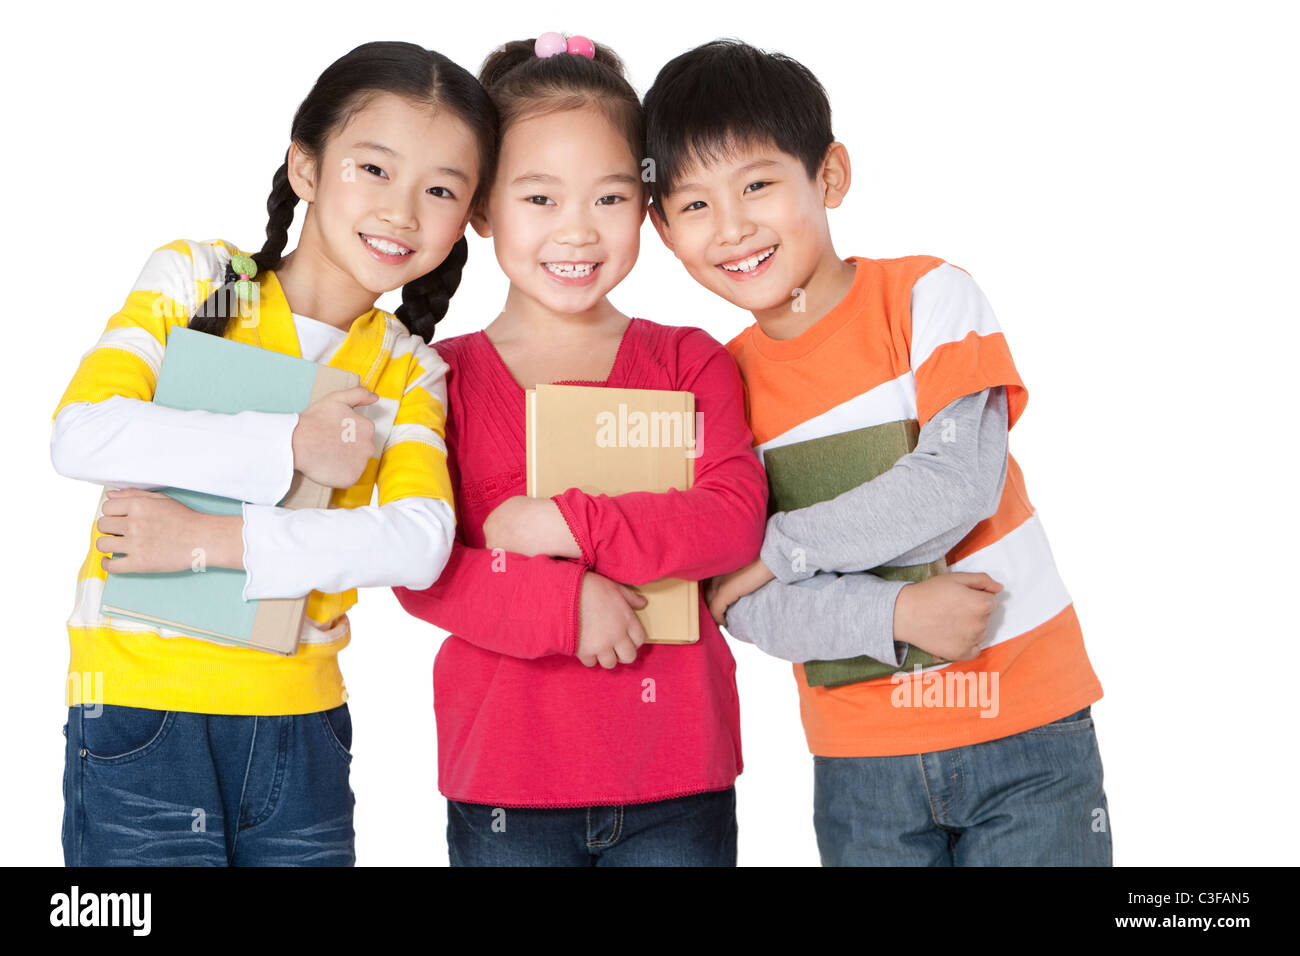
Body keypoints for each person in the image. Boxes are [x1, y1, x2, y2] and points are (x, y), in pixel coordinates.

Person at [644, 39, 1110, 866]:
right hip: (861, 761)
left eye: (757, 184)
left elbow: (956, 483)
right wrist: (892, 618)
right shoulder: (714, 387)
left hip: (1028, 726)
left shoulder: (929, 295)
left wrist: (780, 548)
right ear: (663, 230)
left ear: (828, 177)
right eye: (695, 205)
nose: (735, 227)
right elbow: (736, 601)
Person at [50, 40, 496, 866]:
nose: (402, 210)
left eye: (440, 189)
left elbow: (419, 540)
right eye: (374, 168)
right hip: (140, 708)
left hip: (300, 725)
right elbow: (84, 432)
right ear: (305, 166)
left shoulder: (407, 366)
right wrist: (290, 445)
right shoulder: (208, 284)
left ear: (469, 216)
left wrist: (209, 539)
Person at [392, 33, 768, 867]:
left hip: (676, 774)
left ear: (644, 204)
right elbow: (423, 569)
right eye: (539, 199)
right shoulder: (434, 379)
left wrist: (569, 524)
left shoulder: (689, 360)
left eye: (607, 199)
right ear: (483, 208)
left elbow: (733, 521)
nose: (578, 233)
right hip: (507, 783)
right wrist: (567, 609)